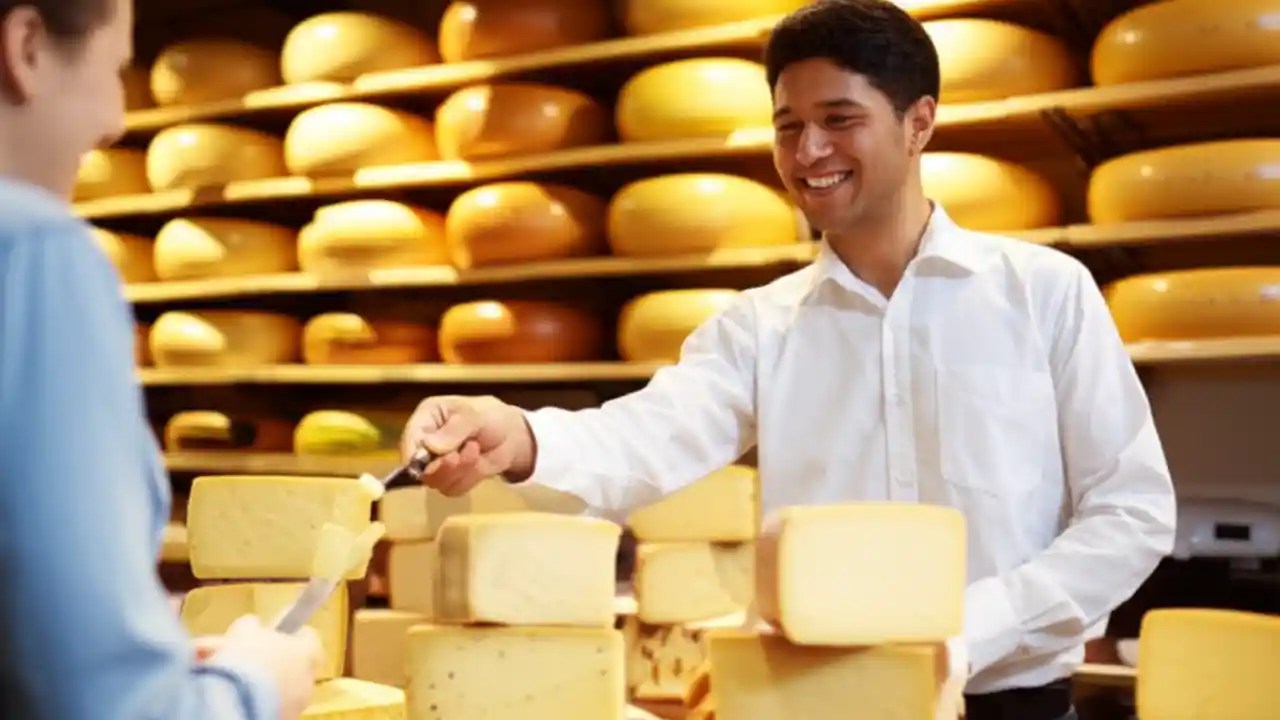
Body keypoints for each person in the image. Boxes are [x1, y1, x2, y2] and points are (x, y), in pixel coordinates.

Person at [400, 1, 1177, 718]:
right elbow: (647, 435)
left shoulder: (1044, 292)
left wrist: (971, 625)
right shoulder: (759, 326)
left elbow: (1132, 514)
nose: (808, 152)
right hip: (821, 702)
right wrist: (517, 434)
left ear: (919, 122)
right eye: (788, 126)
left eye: (840, 120)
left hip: (1013, 704)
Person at [0, 1, 324, 718]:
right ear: (27, 47)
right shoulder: (30, 250)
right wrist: (255, 685)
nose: (116, 119)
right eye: (114, 68)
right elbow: (106, 706)